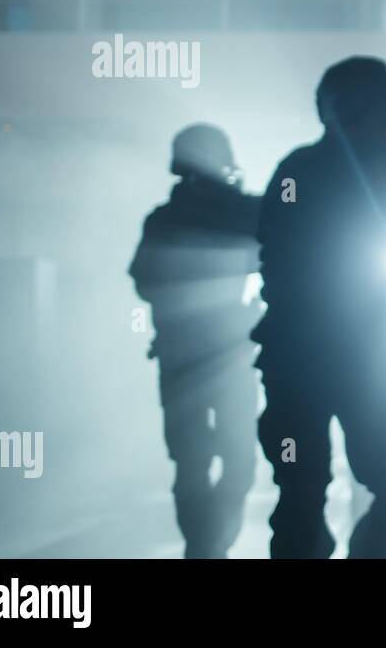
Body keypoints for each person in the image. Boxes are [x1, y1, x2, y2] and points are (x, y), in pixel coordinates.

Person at [252, 57, 386, 558]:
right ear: (346, 115)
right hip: (320, 364)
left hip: (346, 361)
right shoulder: (313, 175)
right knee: (304, 505)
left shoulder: (319, 171)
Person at [130, 124, 262, 559]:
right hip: (228, 353)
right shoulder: (241, 211)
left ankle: (205, 548)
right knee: (232, 461)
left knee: (195, 462)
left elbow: (144, 282)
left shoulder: (164, 220)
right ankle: (209, 547)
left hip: (191, 355)